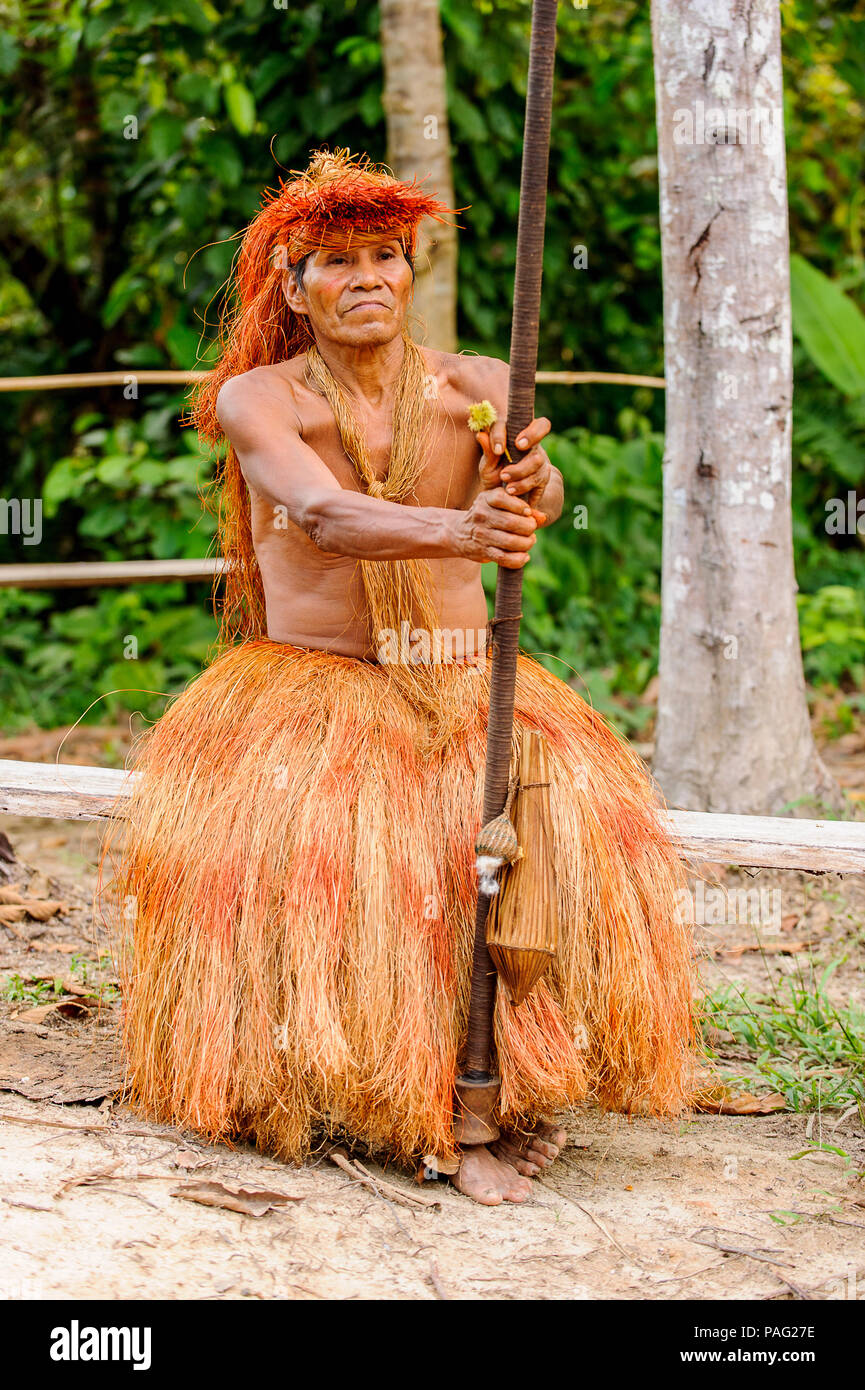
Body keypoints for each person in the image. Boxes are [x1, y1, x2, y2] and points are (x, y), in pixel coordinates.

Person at [108, 149, 695, 1207]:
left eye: (385, 255)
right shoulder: (259, 399)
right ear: (294, 287)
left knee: (506, 877)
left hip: (464, 684)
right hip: (314, 686)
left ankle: (488, 1092)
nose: (366, 277)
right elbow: (323, 515)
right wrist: (460, 525)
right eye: (335, 262)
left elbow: (537, 493)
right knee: (349, 893)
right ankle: (359, 1094)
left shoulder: (475, 385)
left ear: (411, 271)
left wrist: (531, 478)